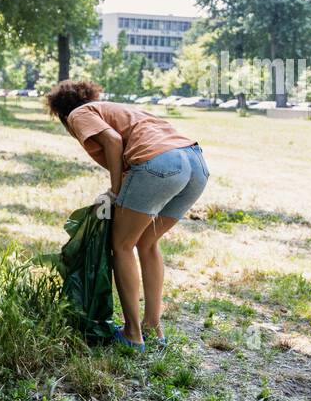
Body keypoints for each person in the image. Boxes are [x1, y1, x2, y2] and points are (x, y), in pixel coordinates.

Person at [44, 80, 209, 350]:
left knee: (121, 246)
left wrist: (115, 192)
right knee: (147, 242)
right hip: (195, 163)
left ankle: (133, 333)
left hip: (161, 163)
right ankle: (152, 326)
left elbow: (112, 140)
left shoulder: (79, 113)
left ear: (61, 112)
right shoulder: (118, 109)